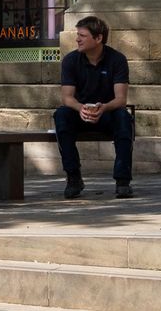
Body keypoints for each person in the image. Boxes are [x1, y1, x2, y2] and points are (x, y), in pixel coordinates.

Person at [54, 15, 134, 199]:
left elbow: (121, 99)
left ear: (98, 38)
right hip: (79, 113)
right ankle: (73, 177)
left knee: (123, 117)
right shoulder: (70, 61)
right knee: (61, 115)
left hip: (107, 113)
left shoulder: (117, 60)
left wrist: (103, 107)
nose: (77, 39)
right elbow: (67, 97)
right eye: (78, 35)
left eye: (82, 35)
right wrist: (80, 108)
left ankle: (123, 180)